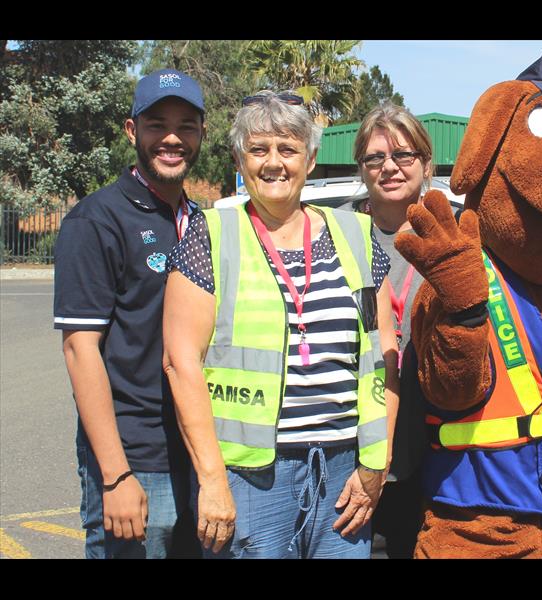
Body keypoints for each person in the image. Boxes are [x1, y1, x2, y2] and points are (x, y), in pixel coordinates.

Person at [161, 90, 399, 559]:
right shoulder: (210, 236)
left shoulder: (356, 234)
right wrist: (211, 480)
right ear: (239, 158)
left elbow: (385, 356)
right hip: (249, 481)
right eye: (259, 149)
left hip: (343, 474)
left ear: (309, 159)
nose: (274, 163)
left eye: (288, 149)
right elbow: (180, 362)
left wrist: (377, 463)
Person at [54, 68, 206, 558]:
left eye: (186, 125)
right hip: (135, 458)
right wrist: (115, 473)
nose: (171, 138)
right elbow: (81, 351)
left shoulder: (204, 223)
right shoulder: (96, 220)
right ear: (131, 130)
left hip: (202, 455)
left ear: (201, 133)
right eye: (157, 123)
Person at [346, 102, 438, 558]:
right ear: (361, 167)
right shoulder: (336, 232)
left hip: (434, 450)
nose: (390, 167)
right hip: (353, 450)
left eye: (403, 155)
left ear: (426, 162)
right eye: (375, 158)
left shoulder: (451, 234)